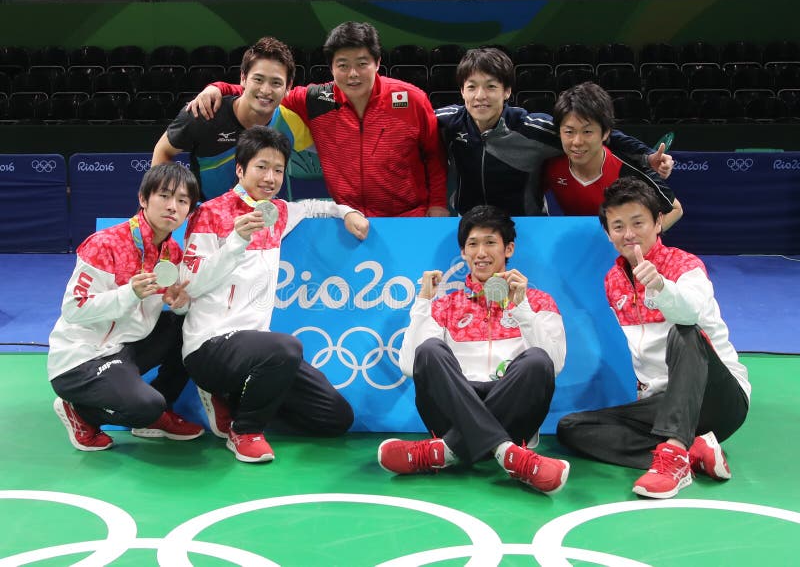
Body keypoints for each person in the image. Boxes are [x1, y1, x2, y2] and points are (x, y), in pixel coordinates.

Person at [180, 125, 370, 463]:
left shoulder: (278, 212)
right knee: (287, 348)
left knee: (335, 418)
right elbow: (191, 284)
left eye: (278, 170)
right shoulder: (210, 214)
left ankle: (238, 400)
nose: (270, 177)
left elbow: (313, 206)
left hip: (256, 349)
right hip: (209, 344)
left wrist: (346, 211)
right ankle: (245, 430)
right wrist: (235, 242)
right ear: (240, 169)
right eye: (261, 167)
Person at [556, 177, 750, 499]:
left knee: (685, 331)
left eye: (638, 223)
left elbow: (690, 316)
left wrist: (660, 287)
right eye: (618, 226)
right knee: (572, 429)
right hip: (664, 403)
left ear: (658, 222)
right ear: (607, 233)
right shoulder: (612, 281)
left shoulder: (684, 265)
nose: (628, 234)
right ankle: (692, 455)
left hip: (719, 397)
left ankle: (673, 456)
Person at [377, 205, 570, 495]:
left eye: (490, 242)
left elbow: (552, 367)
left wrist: (522, 309)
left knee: (537, 361)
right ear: (464, 252)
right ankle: (508, 454)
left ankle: (444, 452)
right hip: (454, 407)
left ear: (509, 249)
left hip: (512, 407)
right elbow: (409, 366)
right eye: (473, 244)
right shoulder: (444, 305)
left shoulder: (538, 301)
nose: (481, 252)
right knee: (429, 350)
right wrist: (423, 303)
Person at [186, 22, 449, 218]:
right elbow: (268, 92)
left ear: (377, 62)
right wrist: (219, 87)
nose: (353, 74)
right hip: (348, 220)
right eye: (343, 65)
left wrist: (437, 207)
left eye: (362, 63)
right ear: (331, 67)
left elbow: (435, 157)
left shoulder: (410, 100)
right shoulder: (316, 100)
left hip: (410, 218)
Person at [49, 163, 204, 452]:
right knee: (147, 405)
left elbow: (173, 306)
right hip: (83, 357)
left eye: (182, 201)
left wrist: (179, 305)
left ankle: (156, 412)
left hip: (126, 348)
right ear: (143, 199)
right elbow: (74, 308)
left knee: (191, 327)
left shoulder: (172, 253)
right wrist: (129, 293)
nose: (173, 207)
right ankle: (80, 412)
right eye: (165, 196)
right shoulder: (105, 244)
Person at [434, 47, 674, 216]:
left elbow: (595, 132)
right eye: (472, 87)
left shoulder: (531, 129)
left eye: (491, 87)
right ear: (462, 92)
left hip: (525, 226)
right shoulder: (447, 123)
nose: (480, 96)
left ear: (507, 91)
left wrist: (645, 155)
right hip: (468, 226)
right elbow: (412, 126)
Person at [152, 37, 315, 201]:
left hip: (259, 217)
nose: (266, 90)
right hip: (207, 217)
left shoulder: (290, 122)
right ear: (243, 78)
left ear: (288, 87)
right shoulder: (205, 112)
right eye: (258, 79)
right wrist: (166, 199)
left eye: (276, 83)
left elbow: (326, 150)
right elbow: (163, 150)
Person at [542, 82, 683, 230]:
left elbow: (676, 209)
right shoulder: (550, 164)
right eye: (569, 132)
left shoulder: (627, 171)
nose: (577, 142)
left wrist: (644, 238)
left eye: (587, 132)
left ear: (606, 133)